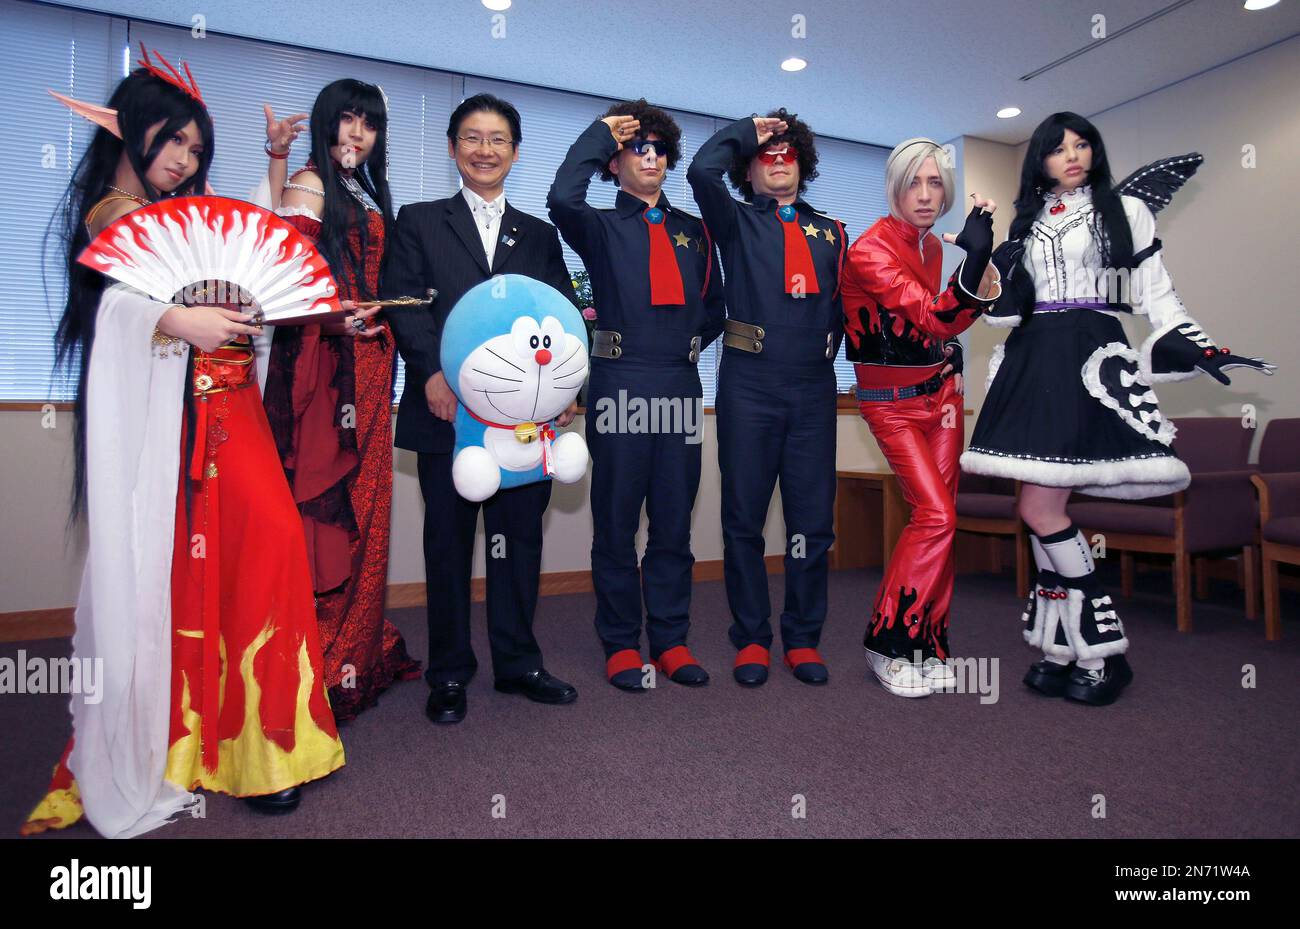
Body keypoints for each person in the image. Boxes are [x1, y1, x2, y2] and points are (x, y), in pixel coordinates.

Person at [24, 48, 344, 838]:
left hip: (233, 416)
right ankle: (184, 746)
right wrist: (175, 319)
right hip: (168, 427)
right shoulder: (110, 213)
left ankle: (261, 748)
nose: (182, 159)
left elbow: (246, 257)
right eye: (170, 140)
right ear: (130, 134)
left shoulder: (190, 216)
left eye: (195, 148)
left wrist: (274, 164)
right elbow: (122, 306)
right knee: (176, 577)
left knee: (266, 555)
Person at [961, 112, 1274, 706]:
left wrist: (1194, 340)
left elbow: (1155, 287)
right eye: (1058, 149)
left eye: (1082, 145)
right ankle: (1060, 649)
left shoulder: (1124, 210)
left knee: (1039, 505)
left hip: (1085, 355)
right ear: (1041, 162)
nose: (1072, 156)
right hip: (1032, 359)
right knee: (1037, 505)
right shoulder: (1027, 221)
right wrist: (983, 260)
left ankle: (1105, 653)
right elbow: (1004, 313)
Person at [383, 94, 580, 724]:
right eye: (472, 137)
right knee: (447, 546)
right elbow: (403, 305)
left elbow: (565, 317)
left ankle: (519, 663)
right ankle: (448, 673)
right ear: (451, 147)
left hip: (527, 422)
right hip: (445, 414)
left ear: (515, 152)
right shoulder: (417, 221)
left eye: (498, 140)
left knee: (518, 541)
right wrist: (431, 374)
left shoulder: (541, 236)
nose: (484, 150)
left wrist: (568, 387)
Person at [547, 99, 725, 692]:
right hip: (620, 384)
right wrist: (599, 134)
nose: (650, 157)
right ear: (615, 163)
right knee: (618, 520)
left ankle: (671, 639)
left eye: (658, 148)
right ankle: (621, 643)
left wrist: (682, 344)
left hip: (679, 382)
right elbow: (561, 198)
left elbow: (717, 306)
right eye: (635, 148)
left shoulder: (696, 232)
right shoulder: (599, 225)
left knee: (674, 521)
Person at [263, 79, 420, 722]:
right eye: (346, 121)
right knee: (333, 512)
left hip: (374, 363)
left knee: (372, 508)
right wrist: (335, 319)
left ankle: (355, 645)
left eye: (369, 125)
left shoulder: (365, 189)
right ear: (328, 125)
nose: (356, 135)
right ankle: (319, 657)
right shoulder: (310, 181)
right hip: (330, 370)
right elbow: (281, 276)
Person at [687, 109, 846, 687]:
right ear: (747, 172)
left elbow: (846, 309)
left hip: (811, 390)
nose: (777, 161)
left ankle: (802, 637)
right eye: (764, 155)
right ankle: (751, 636)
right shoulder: (733, 221)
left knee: (811, 523)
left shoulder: (834, 230)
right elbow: (701, 170)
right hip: (748, 385)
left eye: (787, 152)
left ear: (803, 164)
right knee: (743, 519)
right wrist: (745, 134)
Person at [841, 138, 1000, 697]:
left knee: (942, 519)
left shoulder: (931, 248)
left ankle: (928, 642)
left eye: (936, 183)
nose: (927, 194)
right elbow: (935, 318)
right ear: (895, 185)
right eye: (915, 182)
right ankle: (888, 641)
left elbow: (938, 331)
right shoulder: (869, 250)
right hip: (892, 406)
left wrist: (982, 266)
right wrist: (977, 260)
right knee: (934, 516)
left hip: (943, 398)